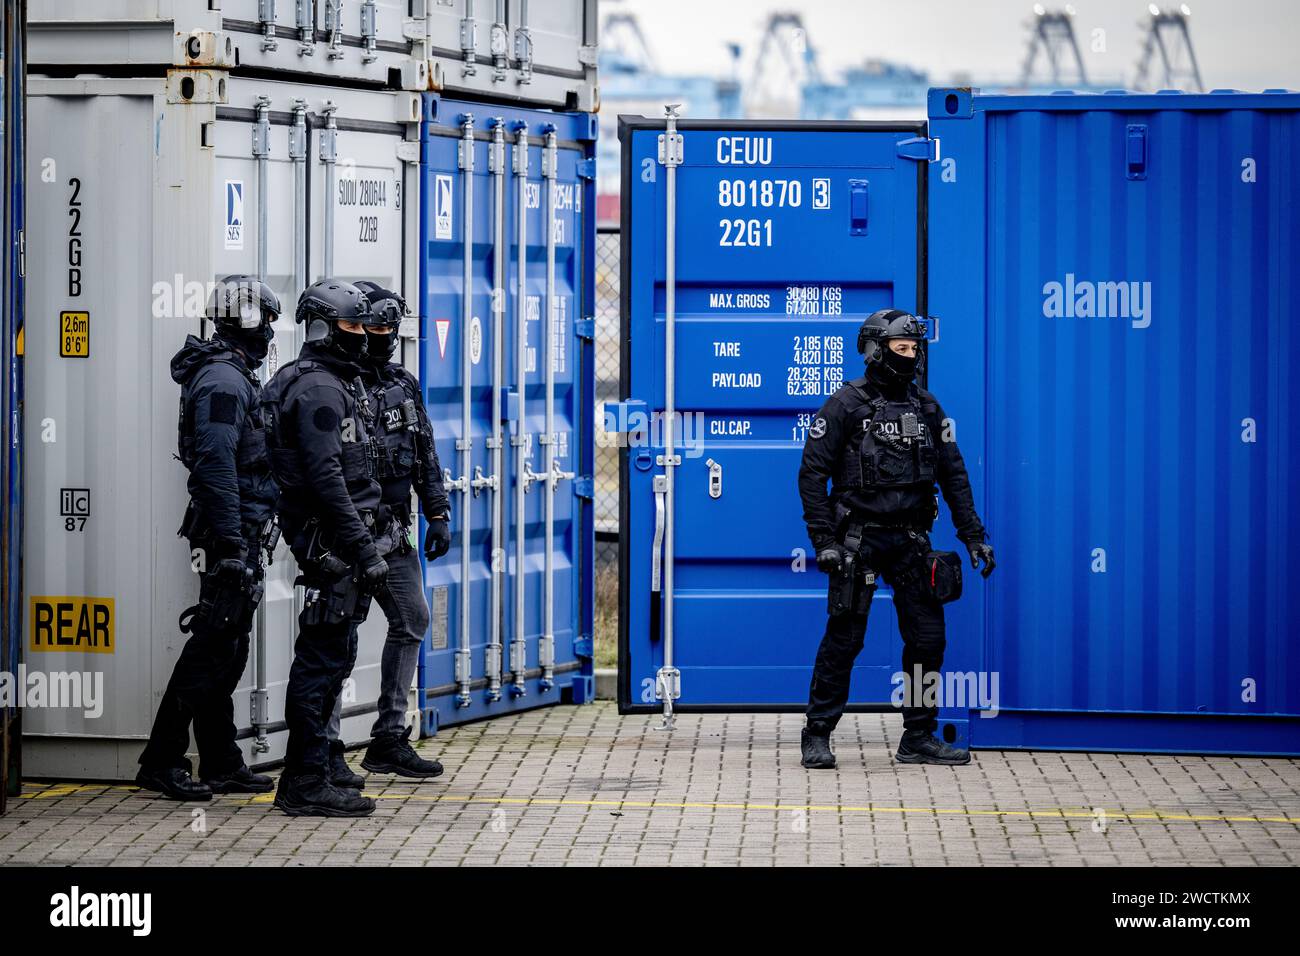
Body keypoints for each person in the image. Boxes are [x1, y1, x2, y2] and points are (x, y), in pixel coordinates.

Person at [797, 308, 996, 771]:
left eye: (913, 349)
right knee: (844, 638)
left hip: (911, 541)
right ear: (874, 349)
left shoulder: (927, 408)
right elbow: (812, 475)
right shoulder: (845, 406)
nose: (908, 356)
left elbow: (954, 475)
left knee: (927, 640)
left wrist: (973, 536)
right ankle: (818, 733)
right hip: (858, 541)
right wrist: (825, 539)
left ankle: (919, 736)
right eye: (900, 348)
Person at [136, 275, 280, 801]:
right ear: (248, 321)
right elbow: (216, 466)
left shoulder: (234, 374)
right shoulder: (223, 381)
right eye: (265, 318)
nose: (269, 329)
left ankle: (221, 759)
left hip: (236, 531)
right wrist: (233, 547)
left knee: (228, 646)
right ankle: (161, 759)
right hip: (226, 534)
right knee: (212, 648)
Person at [262, 278, 389, 817]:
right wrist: (363, 548)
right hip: (331, 541)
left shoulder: (326, 381)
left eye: (364, 325)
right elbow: (325, 477)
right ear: (321, 327)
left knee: (333, 655)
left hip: (337, 538)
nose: (361, 336)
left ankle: (319, 765)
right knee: (320, 661)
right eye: (351, 326)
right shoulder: (317, 389)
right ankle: (304, 780)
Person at [322, 282, 450, 786]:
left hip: (394, 528)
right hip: (349, 531)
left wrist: (437, 512)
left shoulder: (403, 383)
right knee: (338, 632)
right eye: (372, 326)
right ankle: (326, 744)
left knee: (413, 617)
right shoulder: (333, 383)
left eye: (388, 328)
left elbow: (425, 450)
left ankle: (389, 737)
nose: (382, 336)